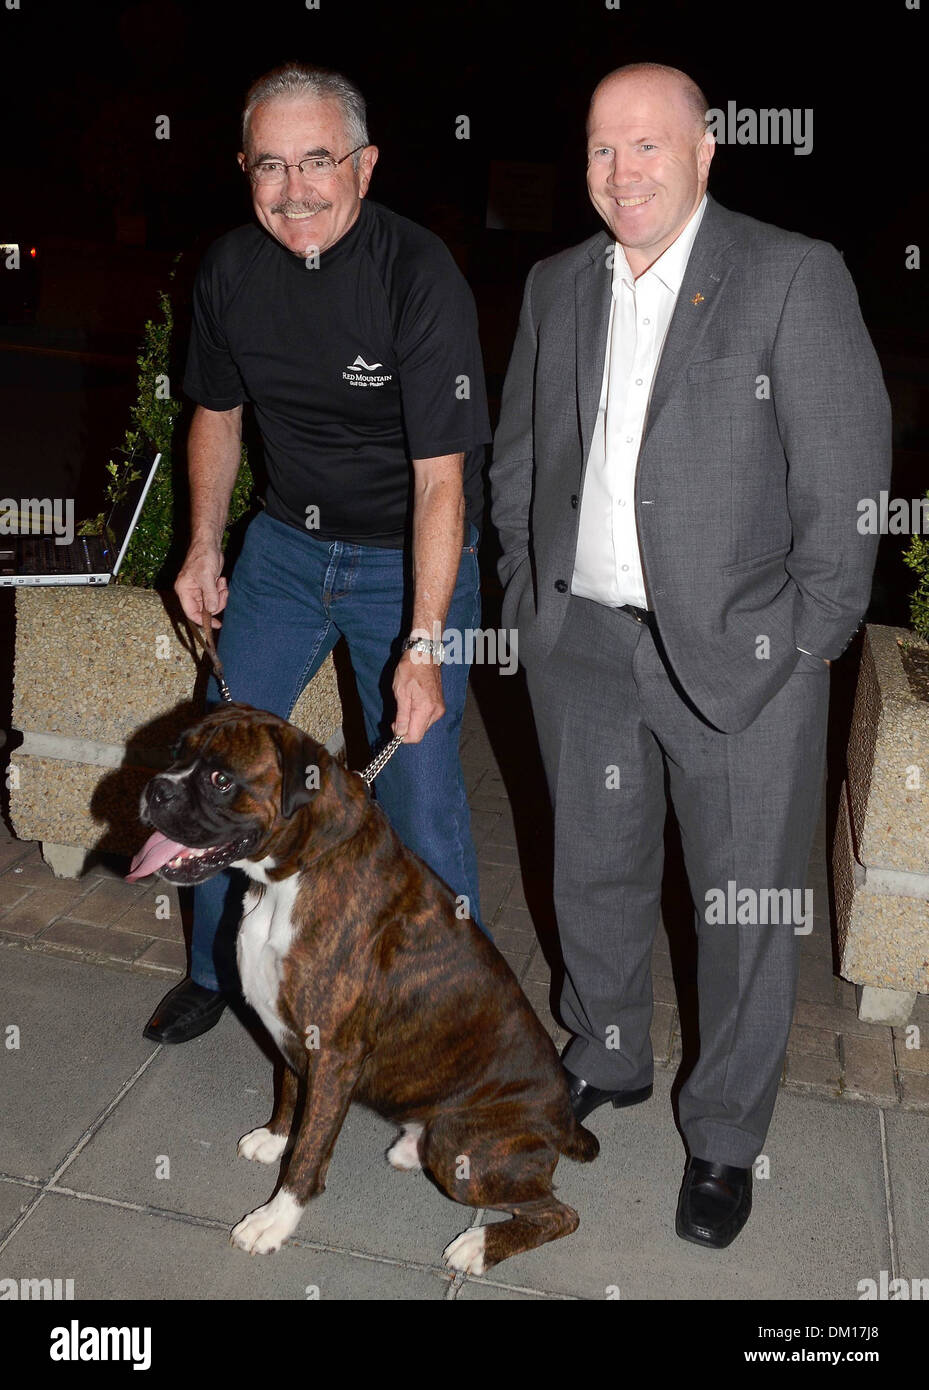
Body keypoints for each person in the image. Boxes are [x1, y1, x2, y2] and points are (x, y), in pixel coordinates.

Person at [490, 62, 891, 1248]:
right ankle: (605, 1048)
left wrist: (805, 646)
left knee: (741, 911)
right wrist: (525, 604)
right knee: (592, 873)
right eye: (601, 148)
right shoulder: (556, 283)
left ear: (705, 152)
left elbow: (844, 490)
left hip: (744, 670)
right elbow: (520, 462)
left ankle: (722, 1135)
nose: (621, 171)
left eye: (647, 146)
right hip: (584, 652)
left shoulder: (787, 275)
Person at [144, 62, 491, 1044]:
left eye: (316, 161)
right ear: (244, 172)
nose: (294, 189)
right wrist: (206, 544)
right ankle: (216, 971)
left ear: (364, 166)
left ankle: (449, 1005)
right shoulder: (230, 270)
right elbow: (216, 414)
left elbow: (440, 483)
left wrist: (422, 643)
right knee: (216, 764)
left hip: (405, 557)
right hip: (285, 552)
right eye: (269, 166)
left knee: (419, 792)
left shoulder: (416, 276)